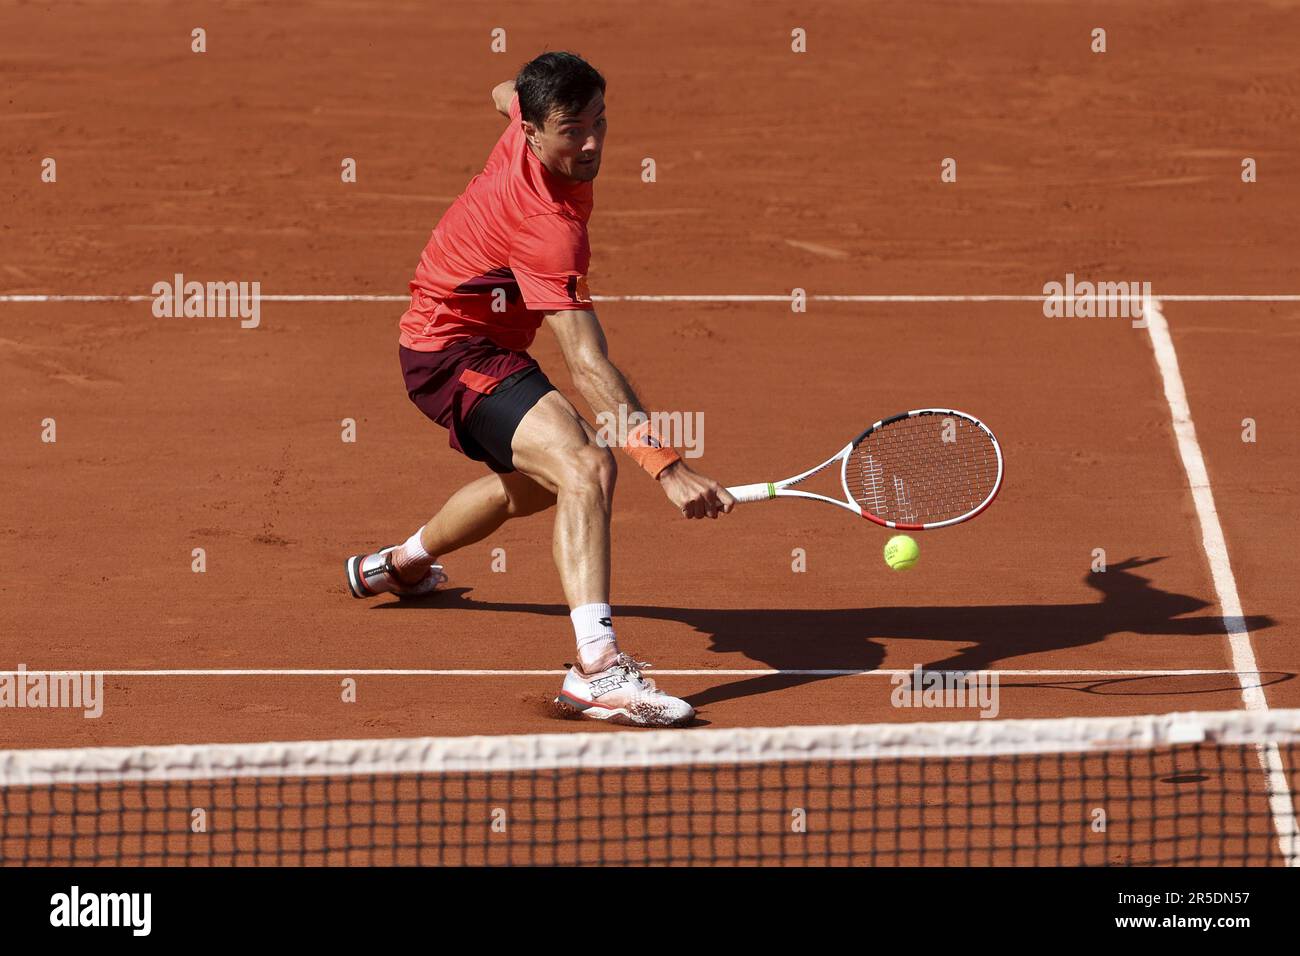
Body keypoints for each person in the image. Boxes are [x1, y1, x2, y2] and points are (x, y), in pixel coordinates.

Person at [345, 51, 735, 727]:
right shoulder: (546, 230)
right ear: (532, 134)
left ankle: (400, 565)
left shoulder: (521, 113)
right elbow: (585, 363)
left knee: (535, 483)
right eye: (570, 131)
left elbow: (503, 88)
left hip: (483, 344)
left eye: (599, 123)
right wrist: (666, 467)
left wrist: (521, 98)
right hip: (449, 351)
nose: (589, 144)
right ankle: (598, 671)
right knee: (586, 464)